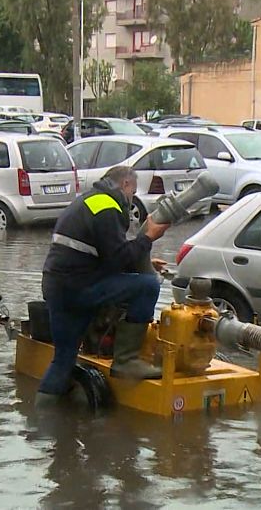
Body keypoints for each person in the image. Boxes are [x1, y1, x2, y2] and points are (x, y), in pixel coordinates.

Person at [38, 165, 169, 398]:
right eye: (133, 192)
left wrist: (141, 259)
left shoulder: (88, 200)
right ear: (125, 184)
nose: (131, 199)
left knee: (63, 360)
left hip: (56, 287)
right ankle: (127, 360)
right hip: (80, 287)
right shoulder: (108, 206)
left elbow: (102, 255)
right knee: (148, 287)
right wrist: (148, 238)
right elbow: (116, 259)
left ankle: (43, 422)